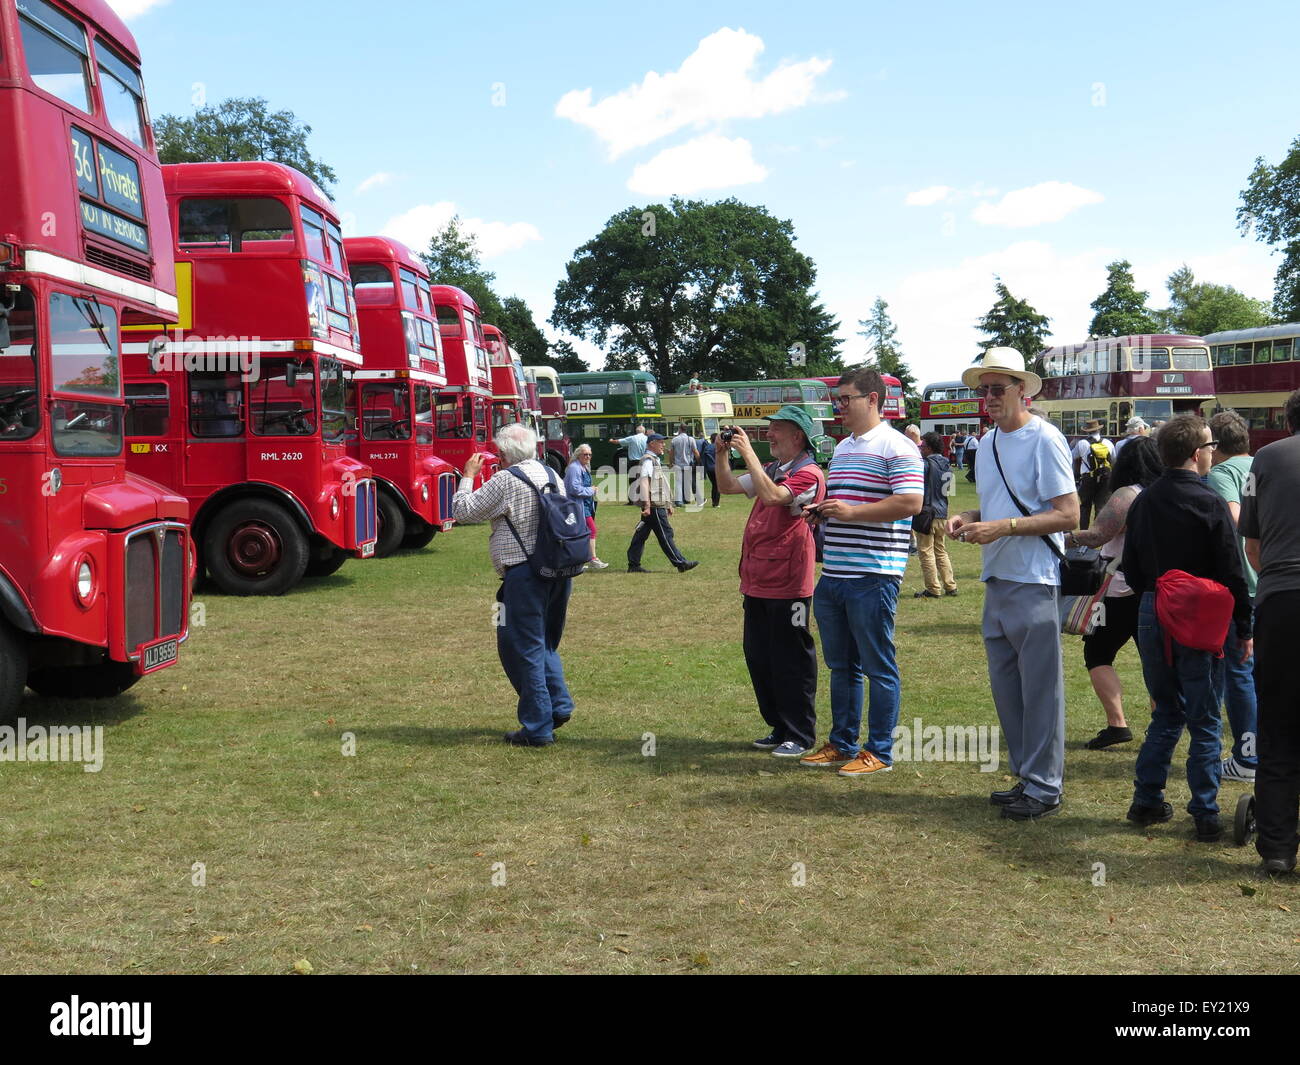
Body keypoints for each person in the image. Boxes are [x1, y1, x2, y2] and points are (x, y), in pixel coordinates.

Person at [946, 347, 1078, 820]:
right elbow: (1001, 508)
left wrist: (999, 528)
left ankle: (1045, 787)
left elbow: (1068, 514)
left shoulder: (1045, 438)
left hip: (1035, 578)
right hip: (998, 577)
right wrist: (969, 517)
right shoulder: (987, 444)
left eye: (997, 389)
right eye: (982, 390)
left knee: (1041, 690)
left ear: (1023, 391)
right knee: (1008, 689)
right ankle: (1028, 777)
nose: (988, 397)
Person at [1120, 414, 1252, 842]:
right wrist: (1245, 626)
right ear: (1198, 454)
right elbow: (1233, 569)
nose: (1212, 453)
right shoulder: (1209, 501)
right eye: (1210, 447)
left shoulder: (1144, 501)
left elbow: (1133, 568)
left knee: (1166, 710)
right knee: (1205, 718)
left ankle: (1146, 799)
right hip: (1200, 616)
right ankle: (1206, 813)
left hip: (1153, 608)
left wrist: (1158, 595)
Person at [797, 367, 924, 777]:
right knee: (842, 666)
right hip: (835, 572)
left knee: (878, 666)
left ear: (873, 399)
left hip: (874, 573)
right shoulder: (844, 448)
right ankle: (842, 742)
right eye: (837, 400)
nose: (839, 407)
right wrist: (824, 513)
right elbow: (848, 500)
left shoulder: (898, 446)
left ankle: (880, 751)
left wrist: (850, 512)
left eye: (845, 399)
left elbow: (910, 503)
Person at [453, 423, 575, 747]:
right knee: (544, 642)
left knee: (524, 646)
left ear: (503, 455)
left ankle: (537, 727)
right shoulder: (552, 474)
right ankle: (558, 706)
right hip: (559, 568)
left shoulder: (506, 479)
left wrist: (467, 476)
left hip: (524, 574)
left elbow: (462, 511)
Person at [714, 408, 826, 758]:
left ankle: (800, 733)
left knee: (791, 658)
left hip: (789, 583)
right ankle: (779, 726)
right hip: (759, 580)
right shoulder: (776, 469)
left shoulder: (809, 473)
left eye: (777, 430)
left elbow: (775, 497)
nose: (769, 436)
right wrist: (721, 454)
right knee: (760, 657)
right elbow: (728, 486)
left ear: (799, 436)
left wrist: (747, 453)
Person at [1066, 436, 1162, 750]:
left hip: (1122, 589)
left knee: (1097, 652)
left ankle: (1117, 724)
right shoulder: (1164, 492)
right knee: (1155, 660)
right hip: (1159, 588)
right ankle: (1163, 724)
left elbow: (1097, 535)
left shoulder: (1127, 494)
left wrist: (1055, 536)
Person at [1240, 389, 1300, 876]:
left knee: (1277, 726)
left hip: (1280, 600)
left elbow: (1254, 547)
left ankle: (1278, 849)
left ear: (1287, 420)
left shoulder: (1265, 459)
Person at [1207, 409, 1258, 782]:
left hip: (1241, 583)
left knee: (1238, 672)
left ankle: (1246, 757)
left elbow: (1235, 520)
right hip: (1272, 581)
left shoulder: (1223, 473)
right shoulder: (1261, 464)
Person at [626, 433, 699, 573]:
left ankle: (633, 565)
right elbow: (644, 482)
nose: (663, 445)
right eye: (660, 442)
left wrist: (668, 504)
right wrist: (647, 505)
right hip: (654, 506)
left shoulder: (653, 459)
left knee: (640, 535)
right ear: (652, 443)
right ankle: (680, 563)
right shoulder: (648, 460)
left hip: (656, 504)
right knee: (665, 534)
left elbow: (661, 484)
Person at [913, 431, 958, 599]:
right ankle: (950, 585)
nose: (920, 448)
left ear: (929, 448)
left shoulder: (923, 465)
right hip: (942, 512)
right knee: (940, 550)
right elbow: (949, 491)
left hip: (926, 513)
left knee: (926, 551)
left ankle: (933, 588)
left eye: (922, 446)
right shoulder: (947, 464)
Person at [565, 443, 607, 570]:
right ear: (578, 455)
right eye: (585, 454)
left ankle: (577, 561)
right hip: (577, 505)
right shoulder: (574, 468)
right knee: (591, 530)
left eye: (589, 454)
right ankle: (592, 559)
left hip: (584, 504)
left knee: (580, 533)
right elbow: (574, 489)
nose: (588, 456)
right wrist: (591, 490)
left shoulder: (583, 467)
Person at [1073, 419, 1116, 530]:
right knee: (1100, 506)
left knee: (1085, 506)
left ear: (1087, 431)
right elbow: (1114, 459)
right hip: (1106, 477)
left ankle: (1083, 532)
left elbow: (1072, 456)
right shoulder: (1108, 443)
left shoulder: (1082, 443)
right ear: (1099, 430)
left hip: (1088, 478)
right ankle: (1097, 533)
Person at [614, 424, 649, 504]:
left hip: (634, 463)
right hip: (644, 462)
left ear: (636, 431)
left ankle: (632, 500)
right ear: (644, 431)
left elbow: (619, 441)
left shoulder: (632, 438)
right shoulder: (647, 438)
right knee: (644, 481)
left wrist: (612, 440)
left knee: (633, 481)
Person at [670, 424, 699, 506]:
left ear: (679, 429)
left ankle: (679, 501)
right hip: (688, 464)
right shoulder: (691, 439)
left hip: (678, 464)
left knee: (678, 483)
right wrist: (699, 461)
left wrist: (671, 462)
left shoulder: (674, 440)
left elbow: (671, 453)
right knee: (687, 482)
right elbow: (695, 452)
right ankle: (686, 499)